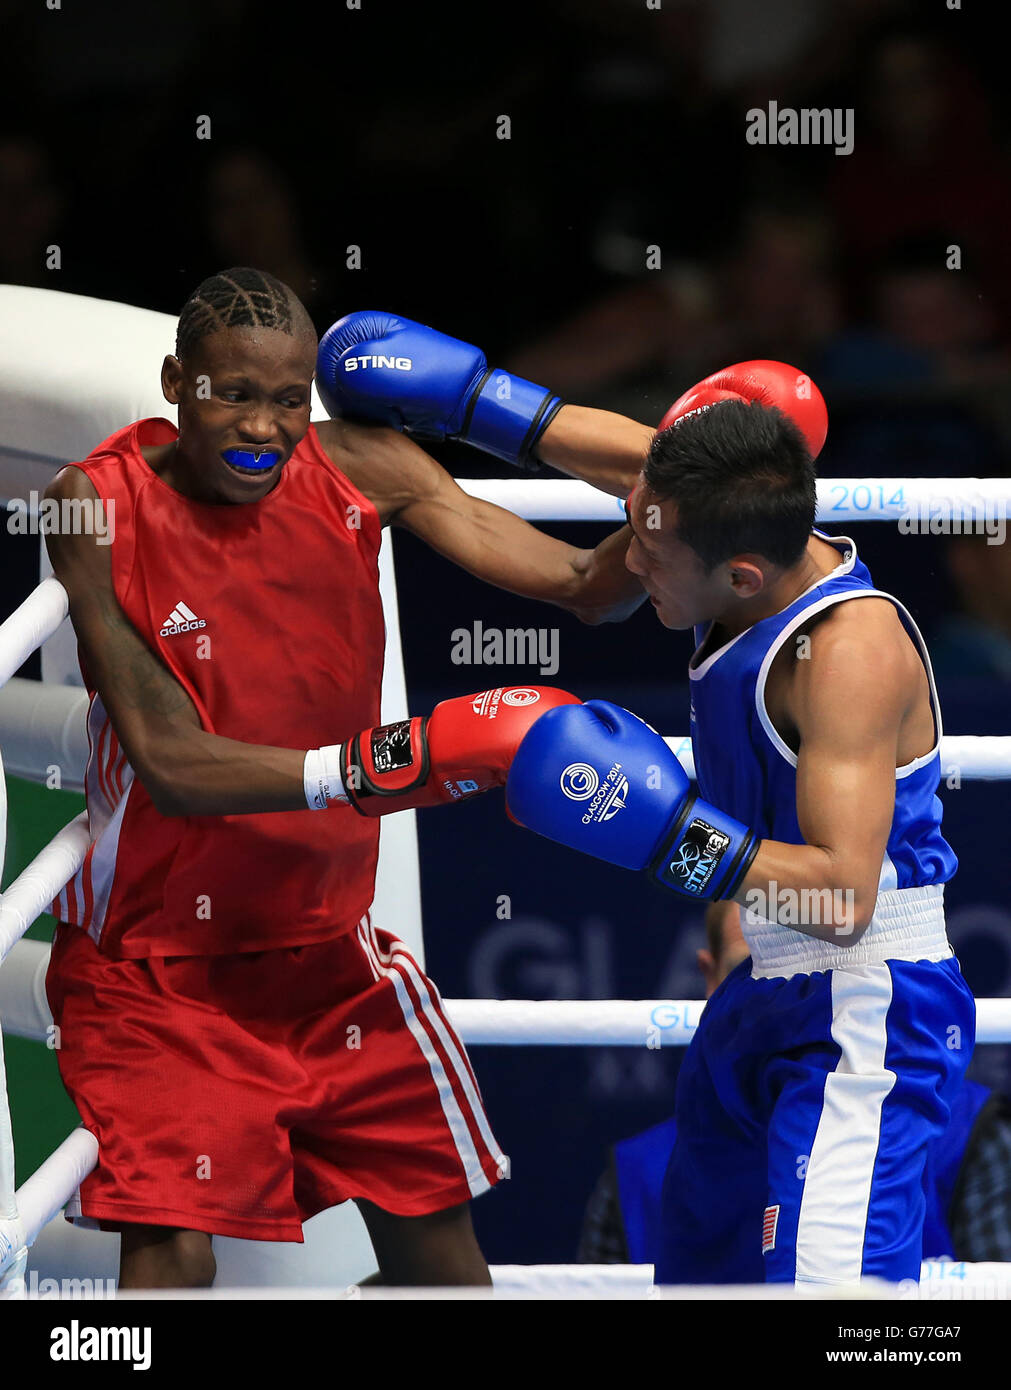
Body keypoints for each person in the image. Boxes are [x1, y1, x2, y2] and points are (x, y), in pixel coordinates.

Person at [328, 318, 975, 1286]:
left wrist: (669, 835)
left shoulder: (846, 654)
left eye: (650, 551)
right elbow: (592, 545)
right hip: (764, 989)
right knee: (701, 1281)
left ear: (742, 578)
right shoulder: (707, 498)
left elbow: (843, 900)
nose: (631, 558)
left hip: (865, 1001)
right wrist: (456, 418)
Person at [42, 267, 652, 1290]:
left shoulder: (363, 463)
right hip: (158, 971)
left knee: (445, 1272)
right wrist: (374, 768)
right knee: (173, 1258)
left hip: (332, 960)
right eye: (233, 393)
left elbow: (587, 588)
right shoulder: (99, 506)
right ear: (173, 382)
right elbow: (170, 759)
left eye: (289, 399)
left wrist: (668, 495)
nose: (265, 427)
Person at [579, 901, 1010, 1270]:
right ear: (712, 981)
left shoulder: (970, 1135)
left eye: (815, 973)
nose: (788, 1003)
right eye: (753, 972)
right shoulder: (634, 1175)